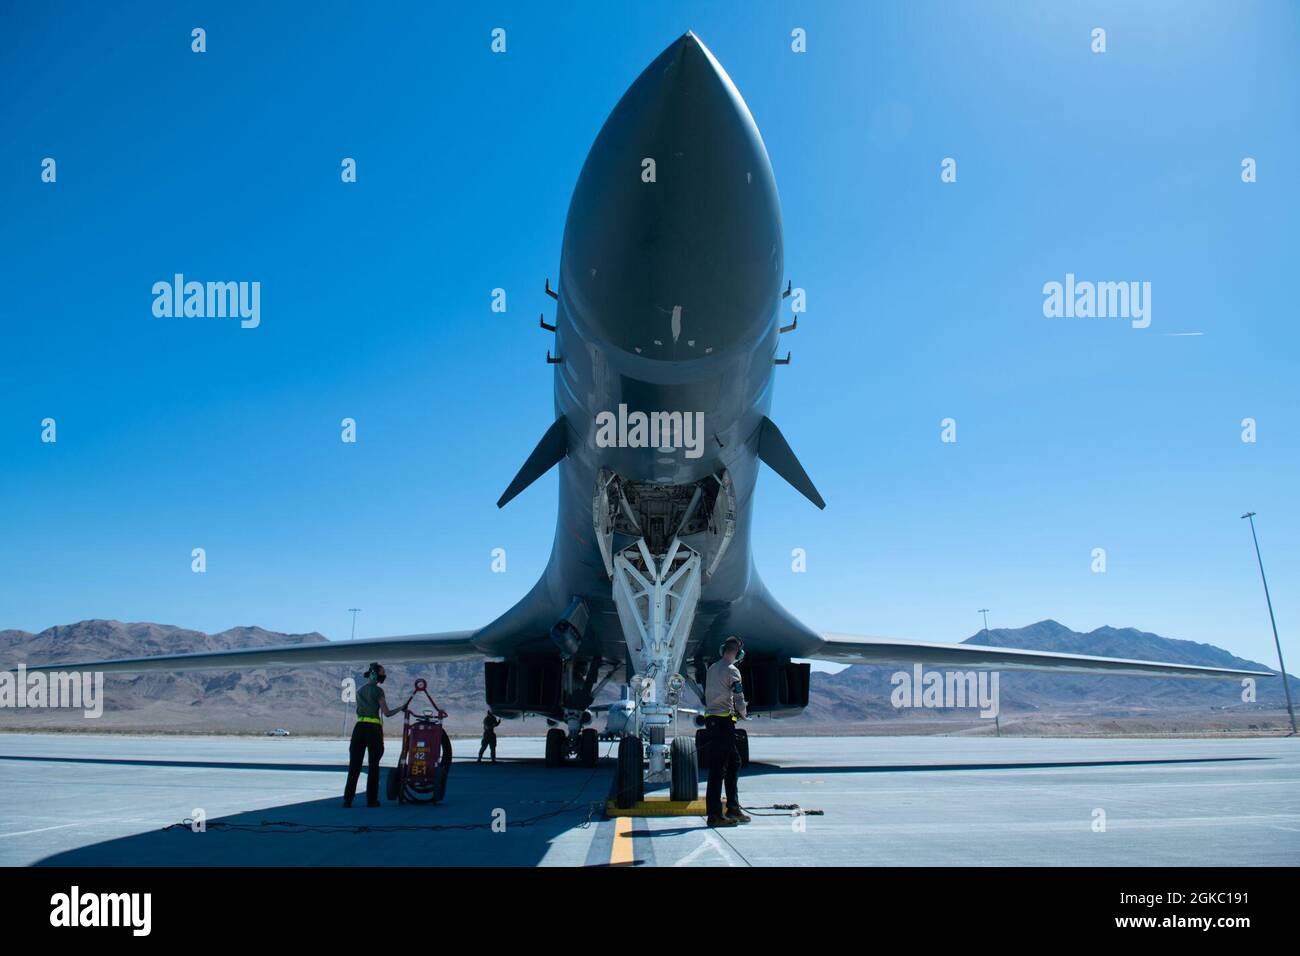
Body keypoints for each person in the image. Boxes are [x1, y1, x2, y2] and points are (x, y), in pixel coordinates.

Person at [343, 662, 410, 808]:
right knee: (374, 766)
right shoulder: (378, 691)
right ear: (375, 674)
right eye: (382, 673)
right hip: (373, 730)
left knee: (354, 766)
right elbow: (387, 713)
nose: (383, 676)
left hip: (359, 729)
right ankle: (371, 800)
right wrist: (401, 708)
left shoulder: (360, 691)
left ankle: (348, 800)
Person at [703, 636, 751, 827]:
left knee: (734, 762)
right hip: (723, 722)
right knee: (719, 768)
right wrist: (744, 713)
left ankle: (733, 807)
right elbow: (738, 697)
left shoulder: (713, 668)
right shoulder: (733, 671)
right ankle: (714, 814)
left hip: (713, 720)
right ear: (738, 654)